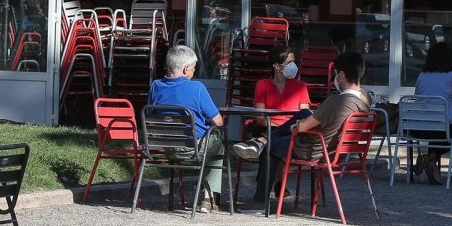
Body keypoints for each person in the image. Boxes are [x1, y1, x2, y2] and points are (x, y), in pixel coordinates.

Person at [236, 51, 371, 204]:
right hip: (333, 149)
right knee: (304, 112)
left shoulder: (336, 101)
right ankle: (262, 140)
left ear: (340, 75)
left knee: (271, 146)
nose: (334, 79)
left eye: (335, 75)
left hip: (310, 149)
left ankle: (259, 201)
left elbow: (302, 127)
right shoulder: (365, 100)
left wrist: (298, 125)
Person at [148, 44, 226, 213]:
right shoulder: (197, 88)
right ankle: (208, 198)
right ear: (185, 69)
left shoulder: (156, 86)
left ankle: (209, 199)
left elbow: (152, 114)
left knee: (212, 142)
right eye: (193, 68)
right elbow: (218, 121)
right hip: (192, 149)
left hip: (167, 147)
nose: (193, 72)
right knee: (219, 140)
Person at [229, 45, 311, 200]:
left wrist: (282, 127)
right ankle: (278, 184)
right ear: (276, 66)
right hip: (267, 128)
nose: (293, 66)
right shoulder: (263, 85)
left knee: (273, 142)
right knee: (274, 139)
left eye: (294, 62)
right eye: (289, 62)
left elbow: (304, 117)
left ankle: (258, 144)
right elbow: (260, 118)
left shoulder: (300, 87)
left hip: (292, 133)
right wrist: (276, 126)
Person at [411, 41, 452, 183]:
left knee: (436, 129)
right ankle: (428, 159)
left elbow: (418, 96)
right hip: (441, 130)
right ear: (449, 58)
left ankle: (432, 166)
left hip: (417, 129)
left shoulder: (421, 76)